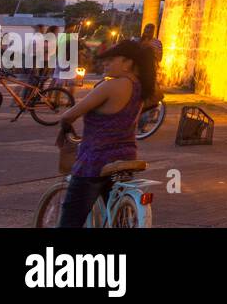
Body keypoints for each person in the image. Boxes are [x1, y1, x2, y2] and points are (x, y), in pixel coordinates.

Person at [53, 39, 156, 228]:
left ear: (128, 62)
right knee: (116, 215)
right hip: (125, 158)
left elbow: (70, 114)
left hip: (96, 161)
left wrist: (65, 123)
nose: (105, 64)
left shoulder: (112, 86)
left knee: (70, 220)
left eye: (112, 59)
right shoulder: (140, 88)